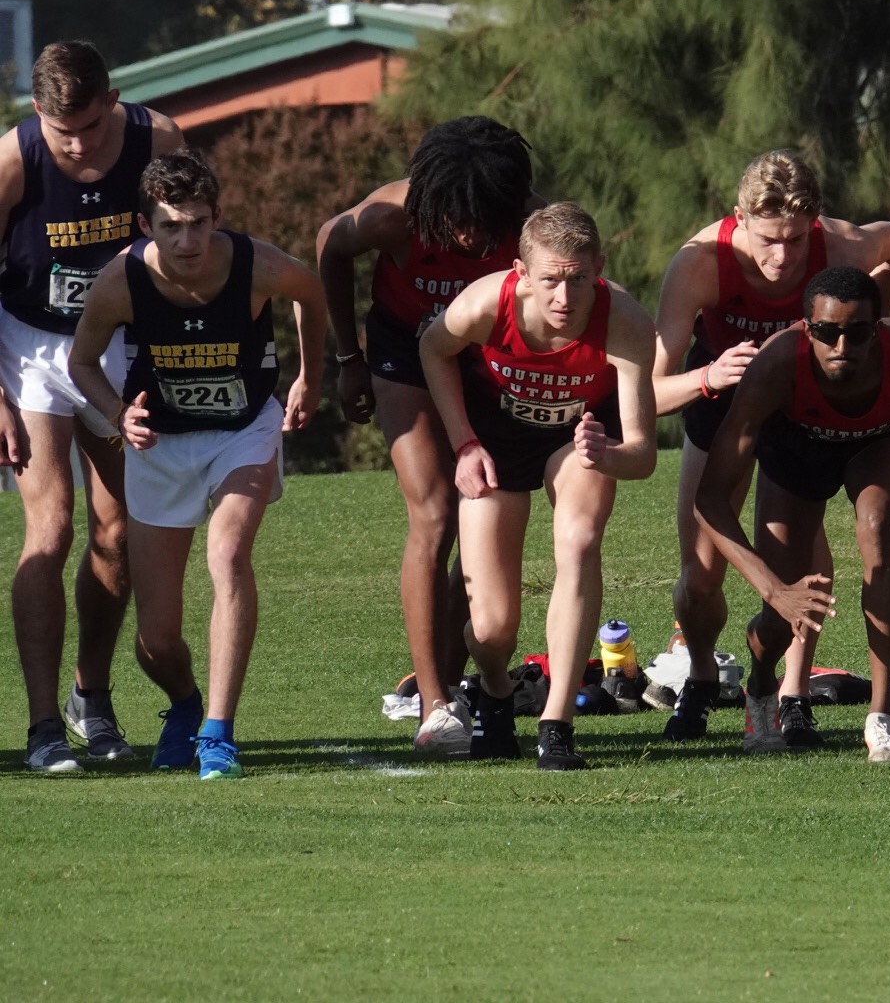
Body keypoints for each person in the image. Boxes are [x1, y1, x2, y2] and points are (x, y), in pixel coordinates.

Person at [67, 149, 326, 779]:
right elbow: (79, 363)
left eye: (198, 223)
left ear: (217, 217)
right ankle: (185, 704)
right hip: (160, 445)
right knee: (156, 642)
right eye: (169, 226)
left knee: (228, 553)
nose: (187, 240)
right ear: (144, 226)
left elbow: (313, 295)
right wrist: (116, 414)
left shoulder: (257, 264)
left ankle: (218, 734)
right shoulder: (120, 281)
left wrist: (310, 378)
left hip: (243, 431)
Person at [652, 150, 890, 748]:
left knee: (803, 563)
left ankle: (792, 693)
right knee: (701, 574)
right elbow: (647, 393)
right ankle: (704, 672)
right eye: (768, 239)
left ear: (813, 226)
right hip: (721, 399)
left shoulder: (841, 247)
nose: (782, 257)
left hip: (799, 409)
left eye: (795, 239)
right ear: (737, 218)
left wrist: (870, 331)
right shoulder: (700, 262)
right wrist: (709, 376)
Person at [694, 267, 890, 762]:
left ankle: (881, 715)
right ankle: (762, 687)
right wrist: (774, 590)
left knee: (876, 527)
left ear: (879, 328)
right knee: (781, 619)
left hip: (880, 439)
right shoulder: (775, 367)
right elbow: (709, 501)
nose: (842, 346)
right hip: (796, 449)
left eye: (858, 332)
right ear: (806, 328)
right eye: (827, 332)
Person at [315, 116, 536, 755]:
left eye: (481, 221)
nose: (468, 235)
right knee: (434, 514)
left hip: (487, 361)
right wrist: (347, 358)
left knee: (481, 513)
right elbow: (331, 246)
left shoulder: (531, 224)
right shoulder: (391, 216)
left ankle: (446, 676)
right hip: (403, 352)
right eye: (454, 220)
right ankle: (435, 706)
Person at [420, 203, 658, 770]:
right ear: (521, 273)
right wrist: (463, 444)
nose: (564, 297)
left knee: (578, 543)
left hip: (575, 445)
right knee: (492, 628)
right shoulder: (485, 303)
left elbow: (644, 456)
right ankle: (496, 690)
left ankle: (556, 725)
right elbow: (433, 349)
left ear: (599, 267)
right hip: (494, 444)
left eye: (579, 279)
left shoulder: (625, 322)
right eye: (550, 279)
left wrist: (607, 453)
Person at [0, 40, 184, 772]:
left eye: (90, 126)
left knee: (117, 535)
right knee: (50, 527)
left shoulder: (158, 139)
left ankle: (91, 697)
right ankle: (44, 724)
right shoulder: (13, 160)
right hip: (31, 347)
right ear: (36, 113)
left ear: (114, 99)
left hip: (118, 347)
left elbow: (190, 242)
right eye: (59, 129)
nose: (77, 144)